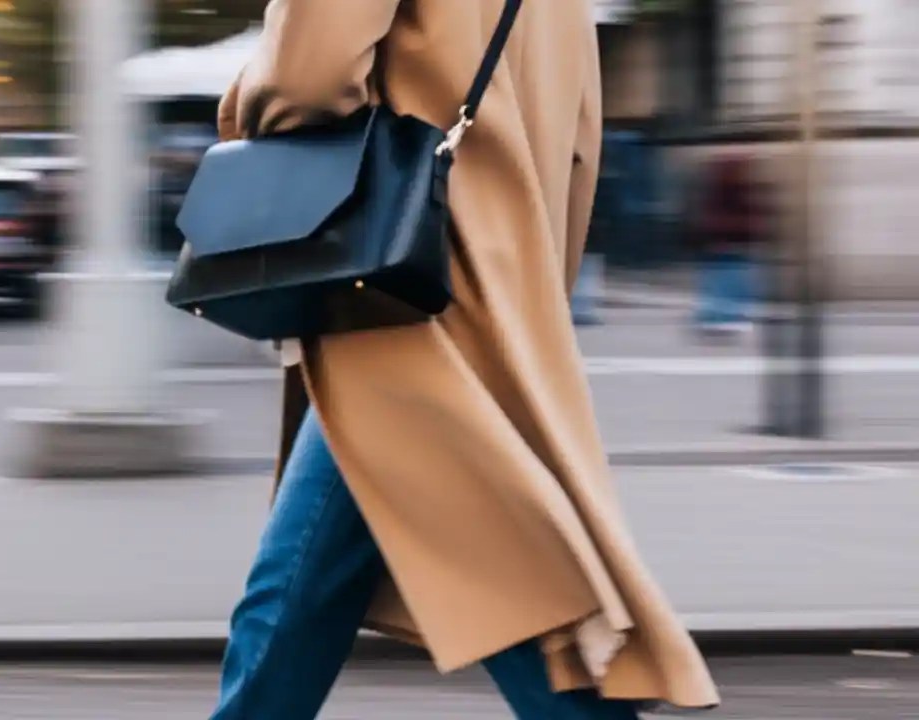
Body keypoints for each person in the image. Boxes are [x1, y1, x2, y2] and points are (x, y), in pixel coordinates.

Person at [209, 1, 720, 718]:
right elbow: (579, 147)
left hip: (393, 275)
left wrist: (247, 110)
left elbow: (305, 82)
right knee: (319, 591)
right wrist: (531, 295)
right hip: (489, 281)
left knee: (509, 579)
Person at [691, 153, 767, 337]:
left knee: (722, 281)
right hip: (729, 244)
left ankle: (717, 317)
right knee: (730, 280)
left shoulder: (721, 191)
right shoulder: (734, 191)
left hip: (724, 244)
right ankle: (723, 317)